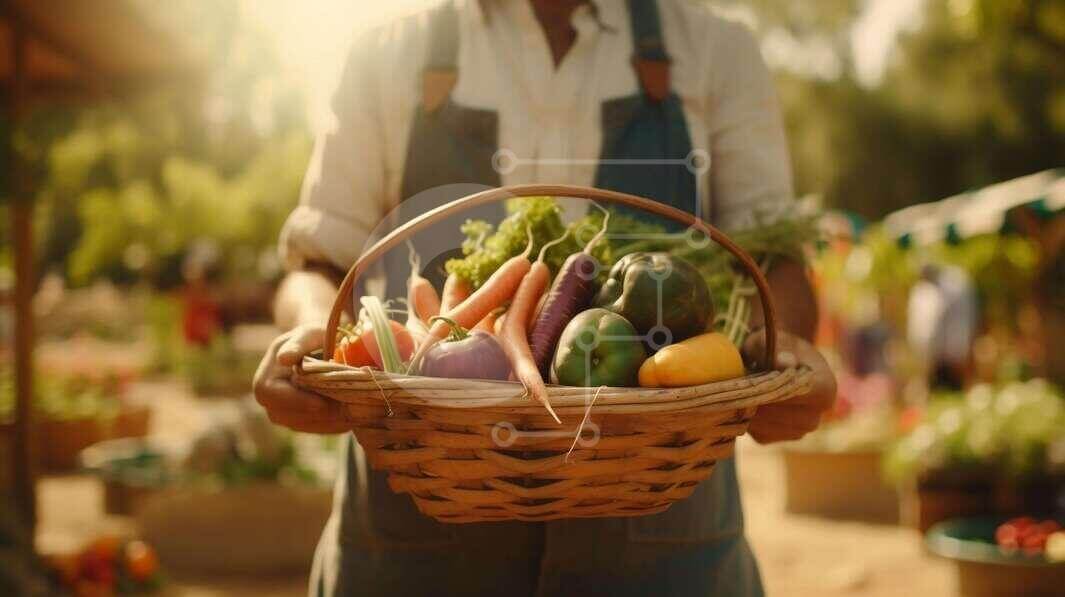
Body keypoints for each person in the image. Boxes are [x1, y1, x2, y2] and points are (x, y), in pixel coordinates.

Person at [253, 1, 836, 595]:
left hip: (660, 540)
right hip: (418, 534)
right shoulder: (386, 54)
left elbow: (776, 259)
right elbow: (318, 260)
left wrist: (781, 348)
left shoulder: (716, 50)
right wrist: (308, 328)